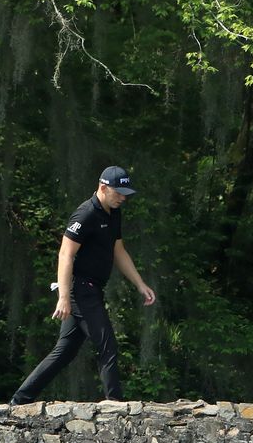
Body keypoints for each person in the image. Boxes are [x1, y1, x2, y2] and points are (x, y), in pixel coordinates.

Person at [10, 166, 157, 404]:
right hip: (80, 289)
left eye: (125, 194)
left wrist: (140, 284)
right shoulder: (85, 214)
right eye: (118, 192)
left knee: (65, 351)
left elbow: (118, 250)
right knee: (107, 345)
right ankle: (115, 406)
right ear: (103, 188)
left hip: (92, 289)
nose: (122, 198)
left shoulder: (113, 213)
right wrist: (64, 297)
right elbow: (65, 254)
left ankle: (19, 401)